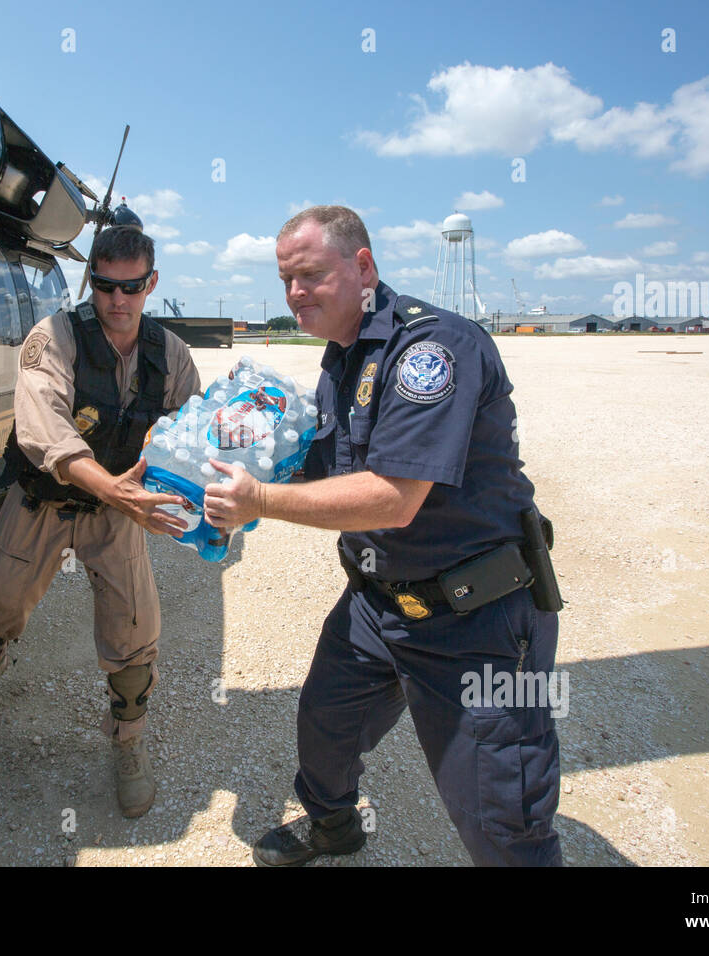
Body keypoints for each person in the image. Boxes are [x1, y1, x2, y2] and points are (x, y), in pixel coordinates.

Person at [203, 206, 563, 866]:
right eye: (286, 280)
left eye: (310, 274)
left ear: (362, 267)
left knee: (500, 813)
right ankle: (332, 829)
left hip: (474, 619)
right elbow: (331, 462)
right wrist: (243, 440)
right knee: (326, 728)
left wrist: (258, 500)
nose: (295, 294)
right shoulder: (343, 359)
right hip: (378, 604)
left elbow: (394, 499)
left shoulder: (430, 350)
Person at [0, 225, 201, 818]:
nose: (118, 300)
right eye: (106, 287)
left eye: (131, 287)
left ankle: (128, 741)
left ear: (151, 283)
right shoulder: (53, 337)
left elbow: (195, 430)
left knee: (133, 629)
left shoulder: (172, 354)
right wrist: (111, 487)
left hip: (118, 511)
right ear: (93, 282)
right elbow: (45, 431)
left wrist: (206, 492)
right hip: (44, 500)